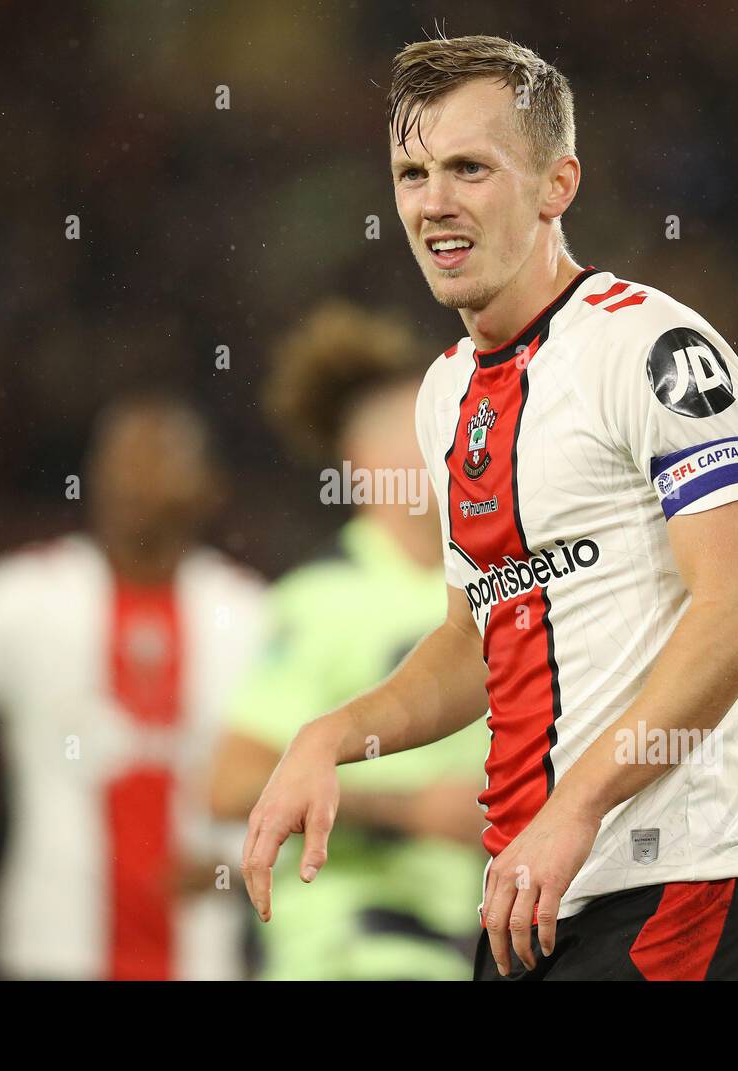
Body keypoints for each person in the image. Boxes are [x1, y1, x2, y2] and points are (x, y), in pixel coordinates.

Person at [241, 35, 738, 981]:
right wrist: (329, 734)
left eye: (469, 168)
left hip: (669, 892)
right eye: (412, 172)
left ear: (556, 185)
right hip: (525, 900)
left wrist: (575, 808)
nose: (434, 202)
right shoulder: (445, 393)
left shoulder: (653, 349)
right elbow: (472, 641)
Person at [0, 396, 265, 980]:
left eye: (160, 458)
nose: (135, 477)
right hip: (52, 949)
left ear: (210, 486)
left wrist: (234, 860)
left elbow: (289, 772)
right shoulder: (22, 597)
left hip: (201, 958)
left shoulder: (250, 616)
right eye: (120, 459)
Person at [210, 300, 489, 980]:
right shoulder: (320, 601)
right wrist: (408, 813)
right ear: (367, 461)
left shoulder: (490, 587)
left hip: (470, 946)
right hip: (348, 949)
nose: (452, 444)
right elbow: (231, 783)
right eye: (425, 430)